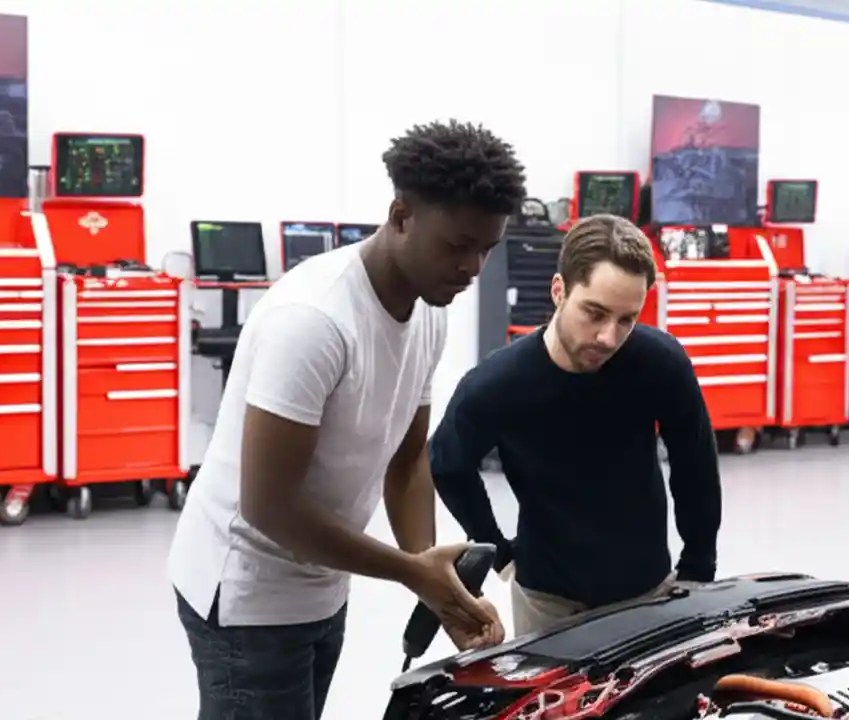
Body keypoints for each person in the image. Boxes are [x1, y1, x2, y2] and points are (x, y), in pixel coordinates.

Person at [167, 119, 527, 719]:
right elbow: (268, 505)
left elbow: (409, 458)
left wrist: (434, 578)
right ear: (401, 214)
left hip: (322, 579)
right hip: (246, 595)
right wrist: (413, 573)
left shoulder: (429, 308)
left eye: (487, 248)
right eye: (458, 245)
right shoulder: (315, 321)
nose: (472, 267)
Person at [429, 213, 723, 637]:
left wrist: (698, 567)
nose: (608, 336)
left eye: (627, 319)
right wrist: (497, 550)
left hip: (646, 590)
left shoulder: (661, 364)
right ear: (558, 291)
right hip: (547, 602)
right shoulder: (498, 384)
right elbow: (447, 463)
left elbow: (694, 461)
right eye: (595, 313)